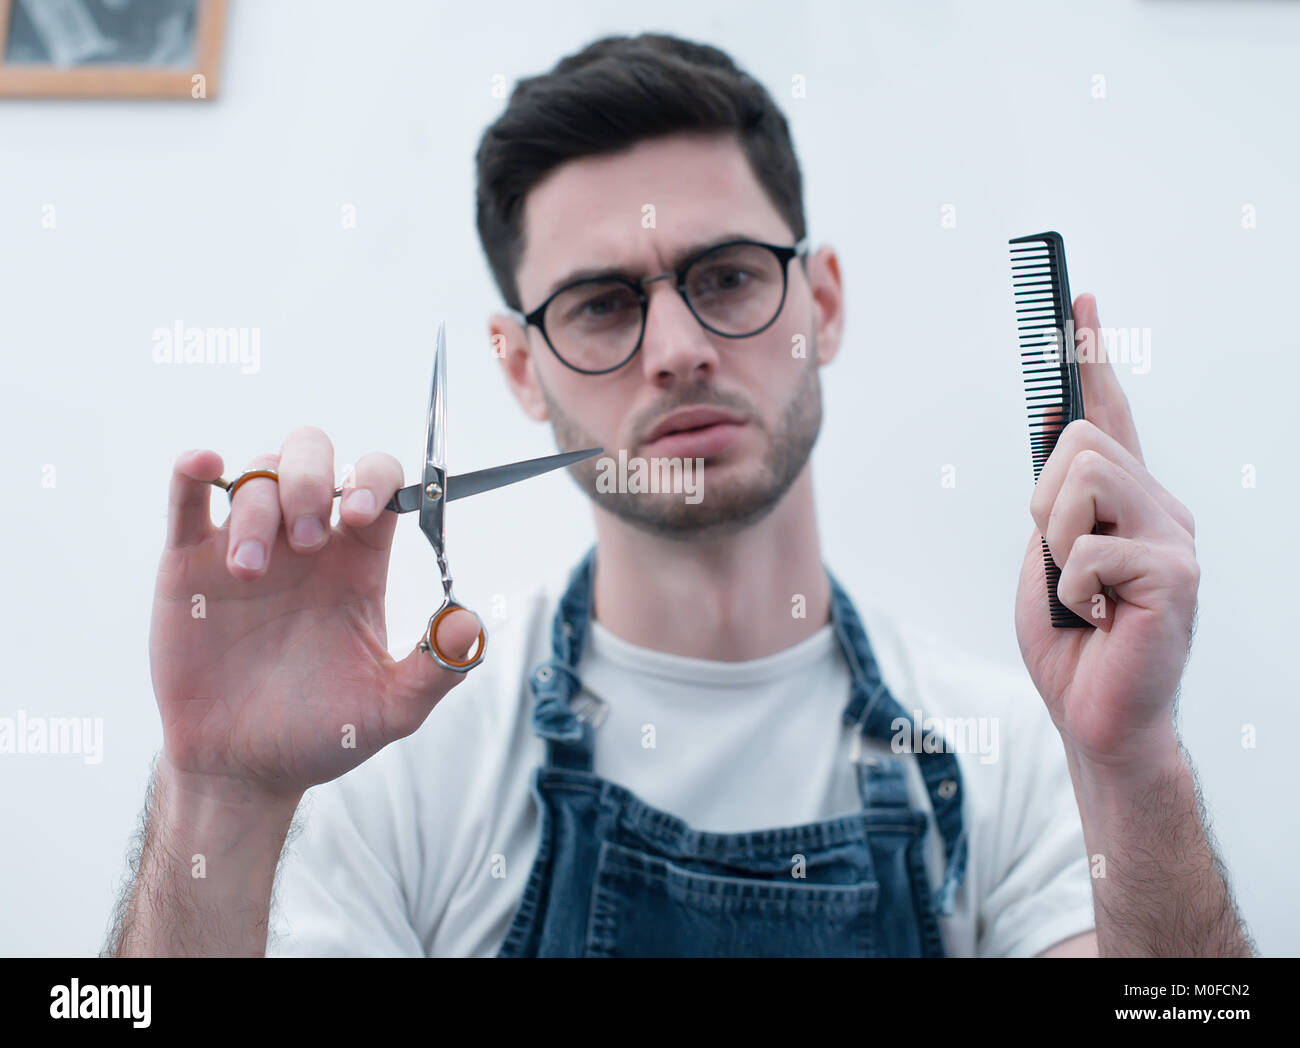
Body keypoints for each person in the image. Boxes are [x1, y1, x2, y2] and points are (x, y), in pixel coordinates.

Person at [106, 32, 1252, 958]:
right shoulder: (385, 766)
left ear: (825, 304)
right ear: (518, 366)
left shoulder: (1015, 758)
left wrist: (1129, 763)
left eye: (726, 278)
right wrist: (224, 800)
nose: (678, 347)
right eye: (602, 303)